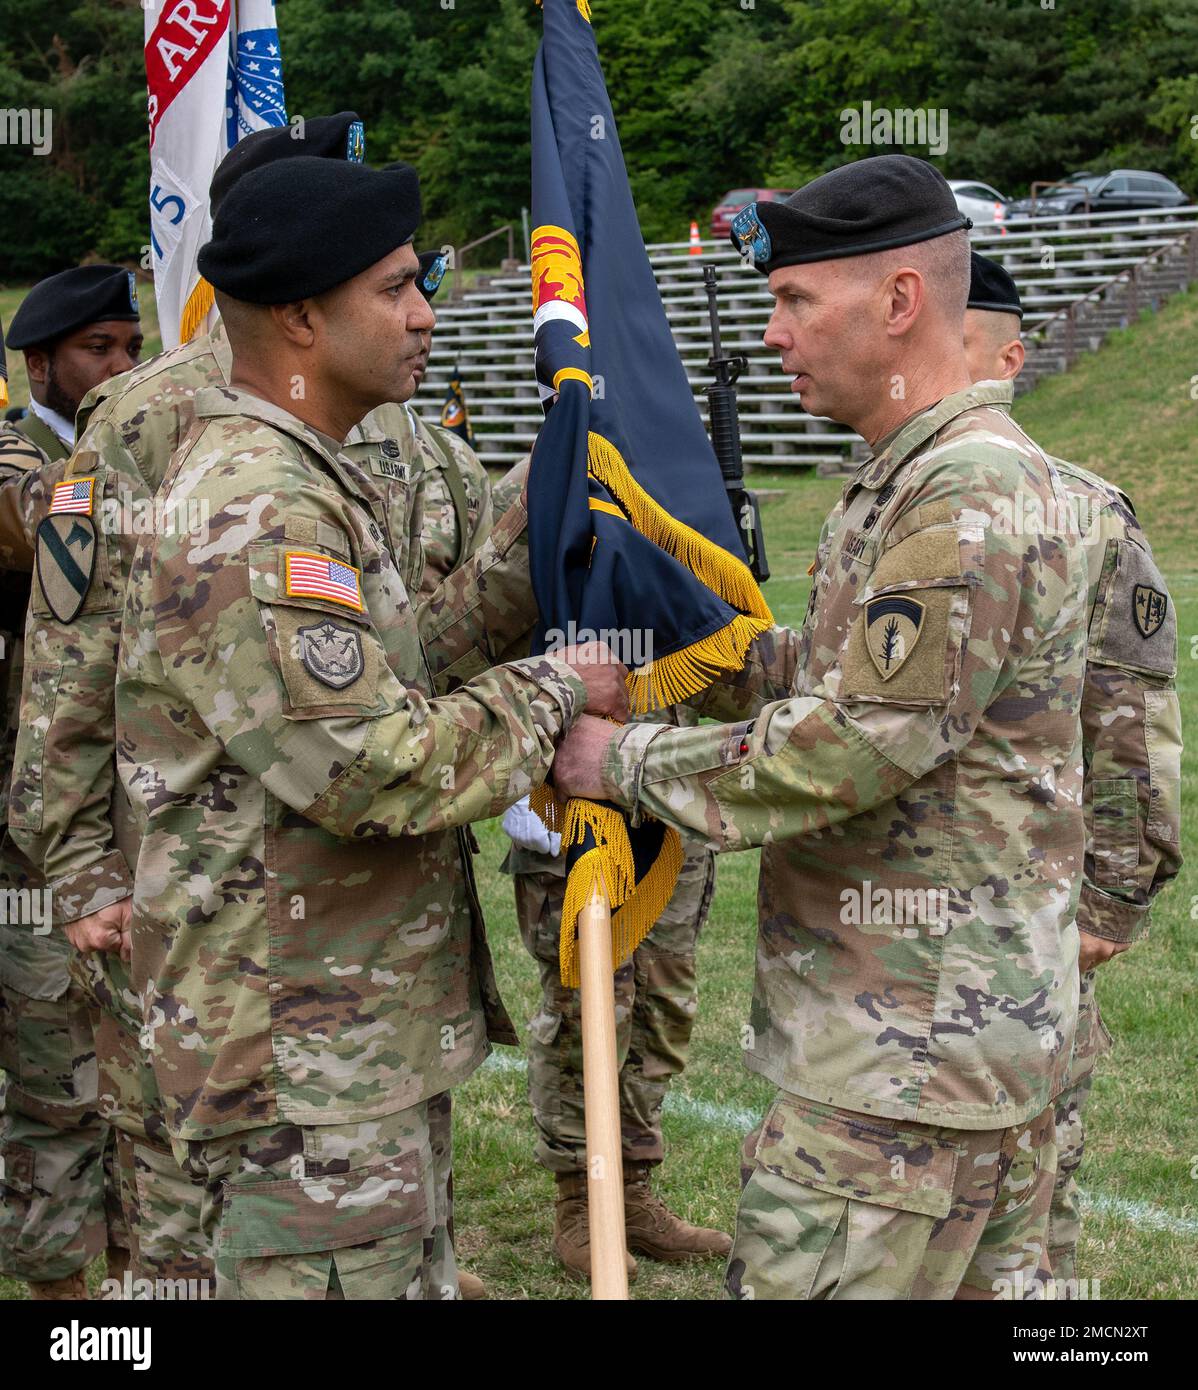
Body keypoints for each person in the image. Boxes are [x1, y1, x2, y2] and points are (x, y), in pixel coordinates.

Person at [9, 112, 531, 1299]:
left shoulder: (372, 410)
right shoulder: (152, 418)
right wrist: (81, 868)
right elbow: (76, 650)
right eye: (389, 279)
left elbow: (393, 649)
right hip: (229, 912)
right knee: (191, 1190)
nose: (420, 306)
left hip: (355, 938)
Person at [553, 154, 1092, 1300]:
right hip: (954, 1035)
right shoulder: (923, 477)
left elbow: (859, 742)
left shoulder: (961, 496)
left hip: (906, 1060)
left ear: (898, 302)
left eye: (795, 299)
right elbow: (874, 686)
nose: (771, 332)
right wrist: (711, 654)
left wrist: (622, 757)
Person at [113, 153, 627, 1300]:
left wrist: (519, 545)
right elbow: (369, 767)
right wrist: (555, 690)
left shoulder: (301, 472)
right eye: (395, 288)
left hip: (338, 1040)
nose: (424, 314)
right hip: (299, 1061)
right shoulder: (263, 505)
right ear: (302, 316)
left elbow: (377, 684)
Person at [964, 251, 1182, 1289]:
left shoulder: (1086, 513)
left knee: (1035, 1204)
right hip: (909, 939)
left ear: (1005, 355)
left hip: (1033, 927)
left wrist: (1112, 902)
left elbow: (1131, 727)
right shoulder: (893, 507)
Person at [0, 265, 141, 1298]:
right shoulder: (17, 452)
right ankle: (64, 1298)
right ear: (39, 363)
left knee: (141, 1073)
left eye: (134, 348)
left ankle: (142, 1276)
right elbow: (41, 514)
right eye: (99, 350)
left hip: (124, 815)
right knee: (55, 1081)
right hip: (29, 835)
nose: (120, 369)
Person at [502, 713, 726, 1283]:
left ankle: (632, 1195)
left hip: (668, 806)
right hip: (575, 811)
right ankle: (581, 1204)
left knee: (662, 1001)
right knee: (588, 1011)